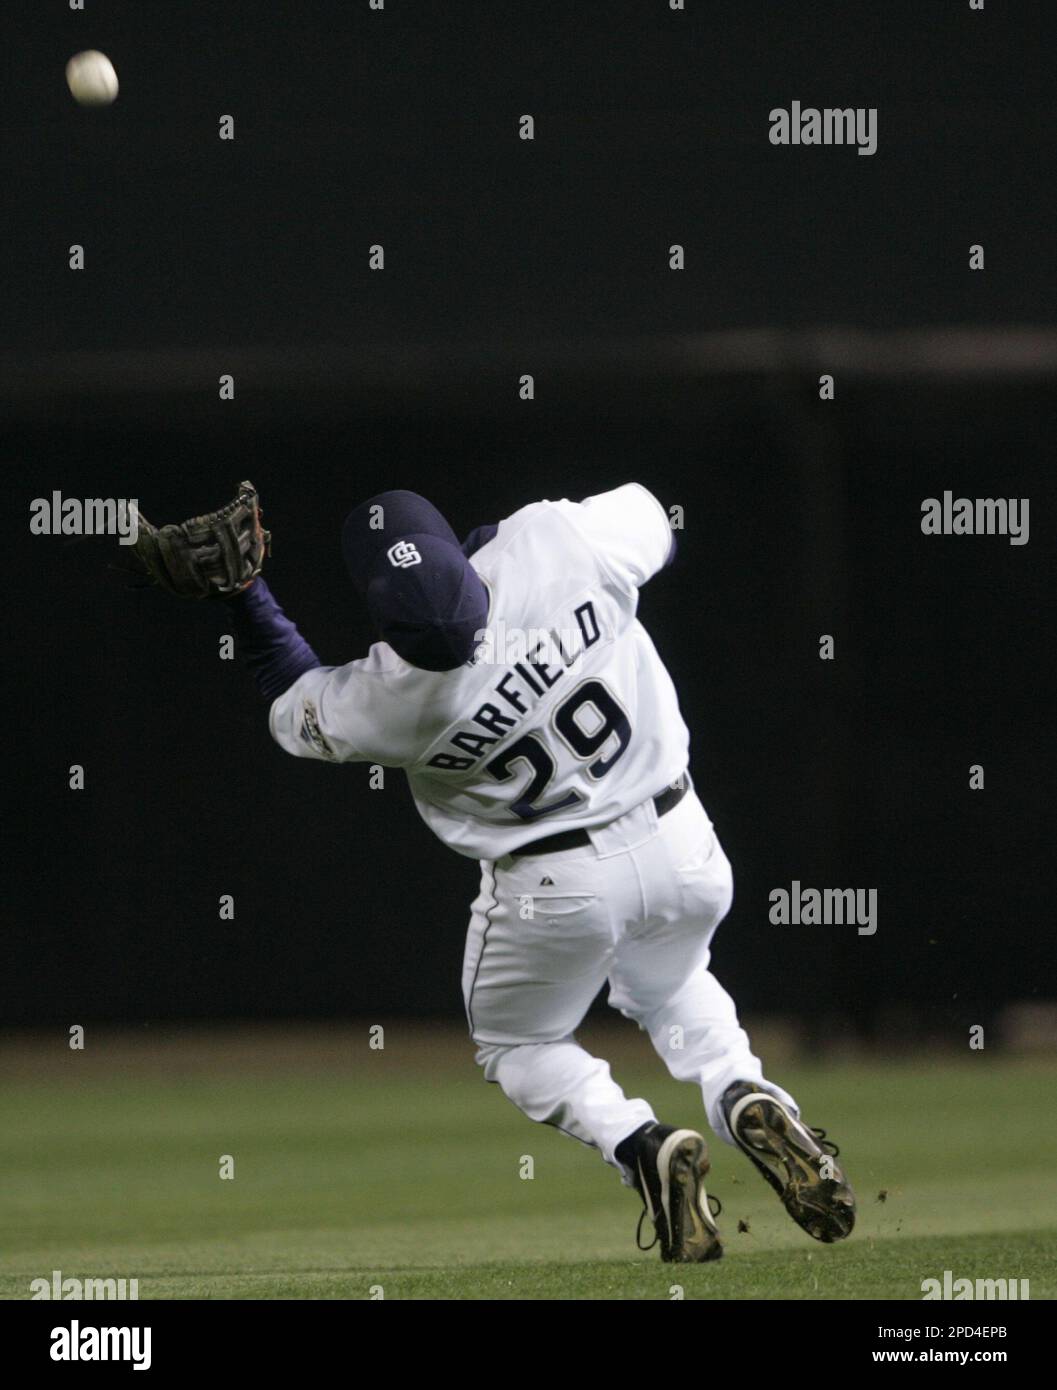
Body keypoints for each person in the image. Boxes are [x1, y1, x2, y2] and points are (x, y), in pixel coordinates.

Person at [228, 483, 855, 1262]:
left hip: (554, 888)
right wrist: (497, 543)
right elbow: (656, 522)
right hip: (678, 838)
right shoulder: (552, 539)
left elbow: (289, 689)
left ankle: (636, 1143)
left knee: (515, 1046)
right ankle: (740, 1087)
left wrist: (244, 592)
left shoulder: (386, 700)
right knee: (669, 979)